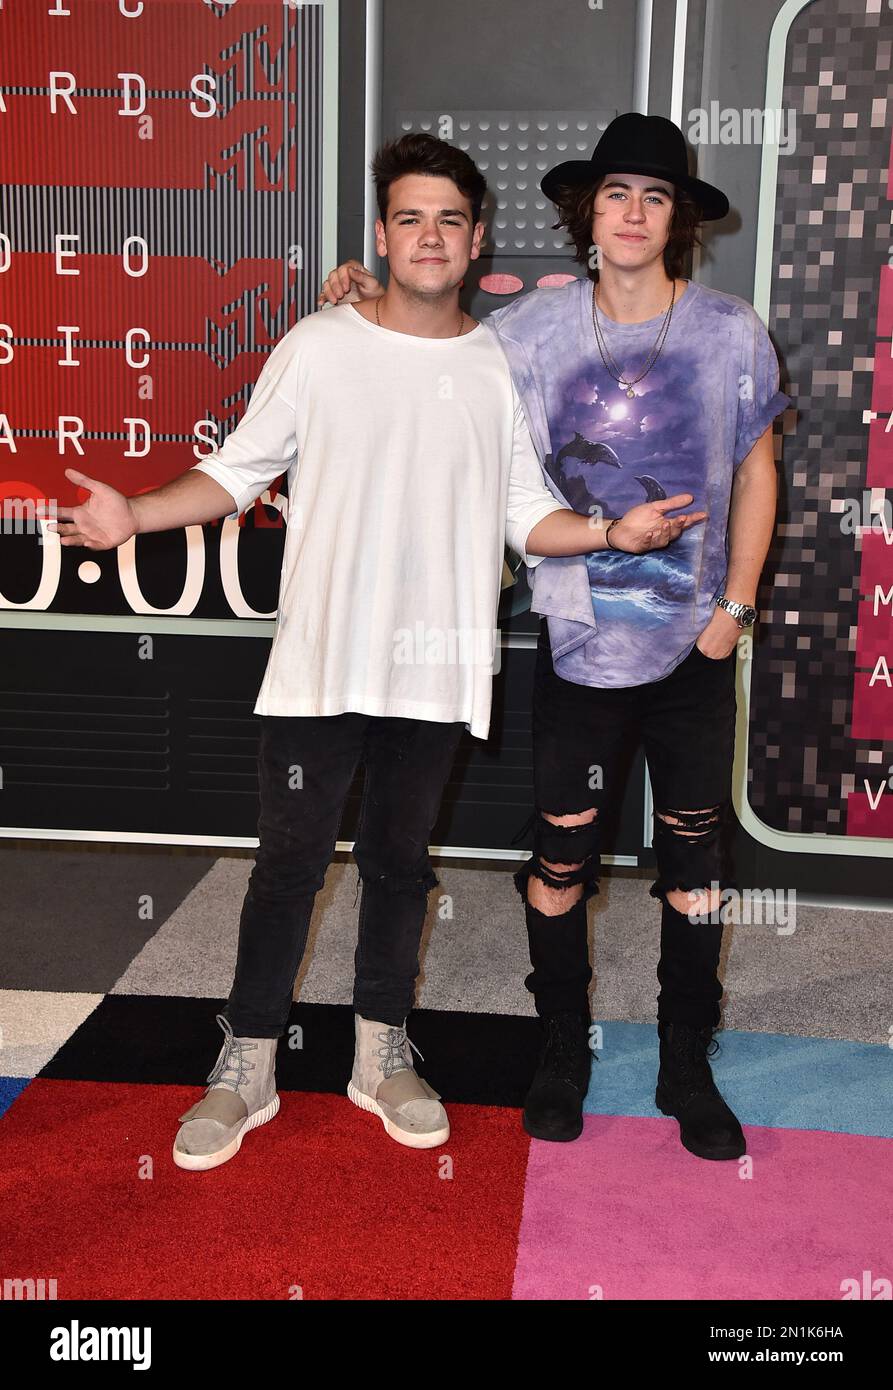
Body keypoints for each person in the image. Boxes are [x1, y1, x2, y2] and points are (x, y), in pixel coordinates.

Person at [50, 131, 704, 1170]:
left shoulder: (495, 365)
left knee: (402, 868)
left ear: (477, 236)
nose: (430, 235)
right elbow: (235, 471)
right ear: (381, 234)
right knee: (286, 868)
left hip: (435, 668)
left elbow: (523, 509)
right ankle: (249, 1059)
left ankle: (375, 1048)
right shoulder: (317, 344)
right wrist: (135, 512)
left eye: (450, 217)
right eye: (410, 217)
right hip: (321, 661)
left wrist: (606, 532)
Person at [319, 113, 790, 1159]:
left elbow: (758, 470)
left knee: (693, 865)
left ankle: (682, 1055)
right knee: (560, 858)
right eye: (615, 193)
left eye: (653, 196)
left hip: (694, 650)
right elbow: (424, 346)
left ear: (676, 220)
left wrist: (736, 609)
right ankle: (561, 1045)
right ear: (587, 213)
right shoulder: (527, 333)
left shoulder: (728, 333)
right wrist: (362, 298)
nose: (631, 213)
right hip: (578, 645)